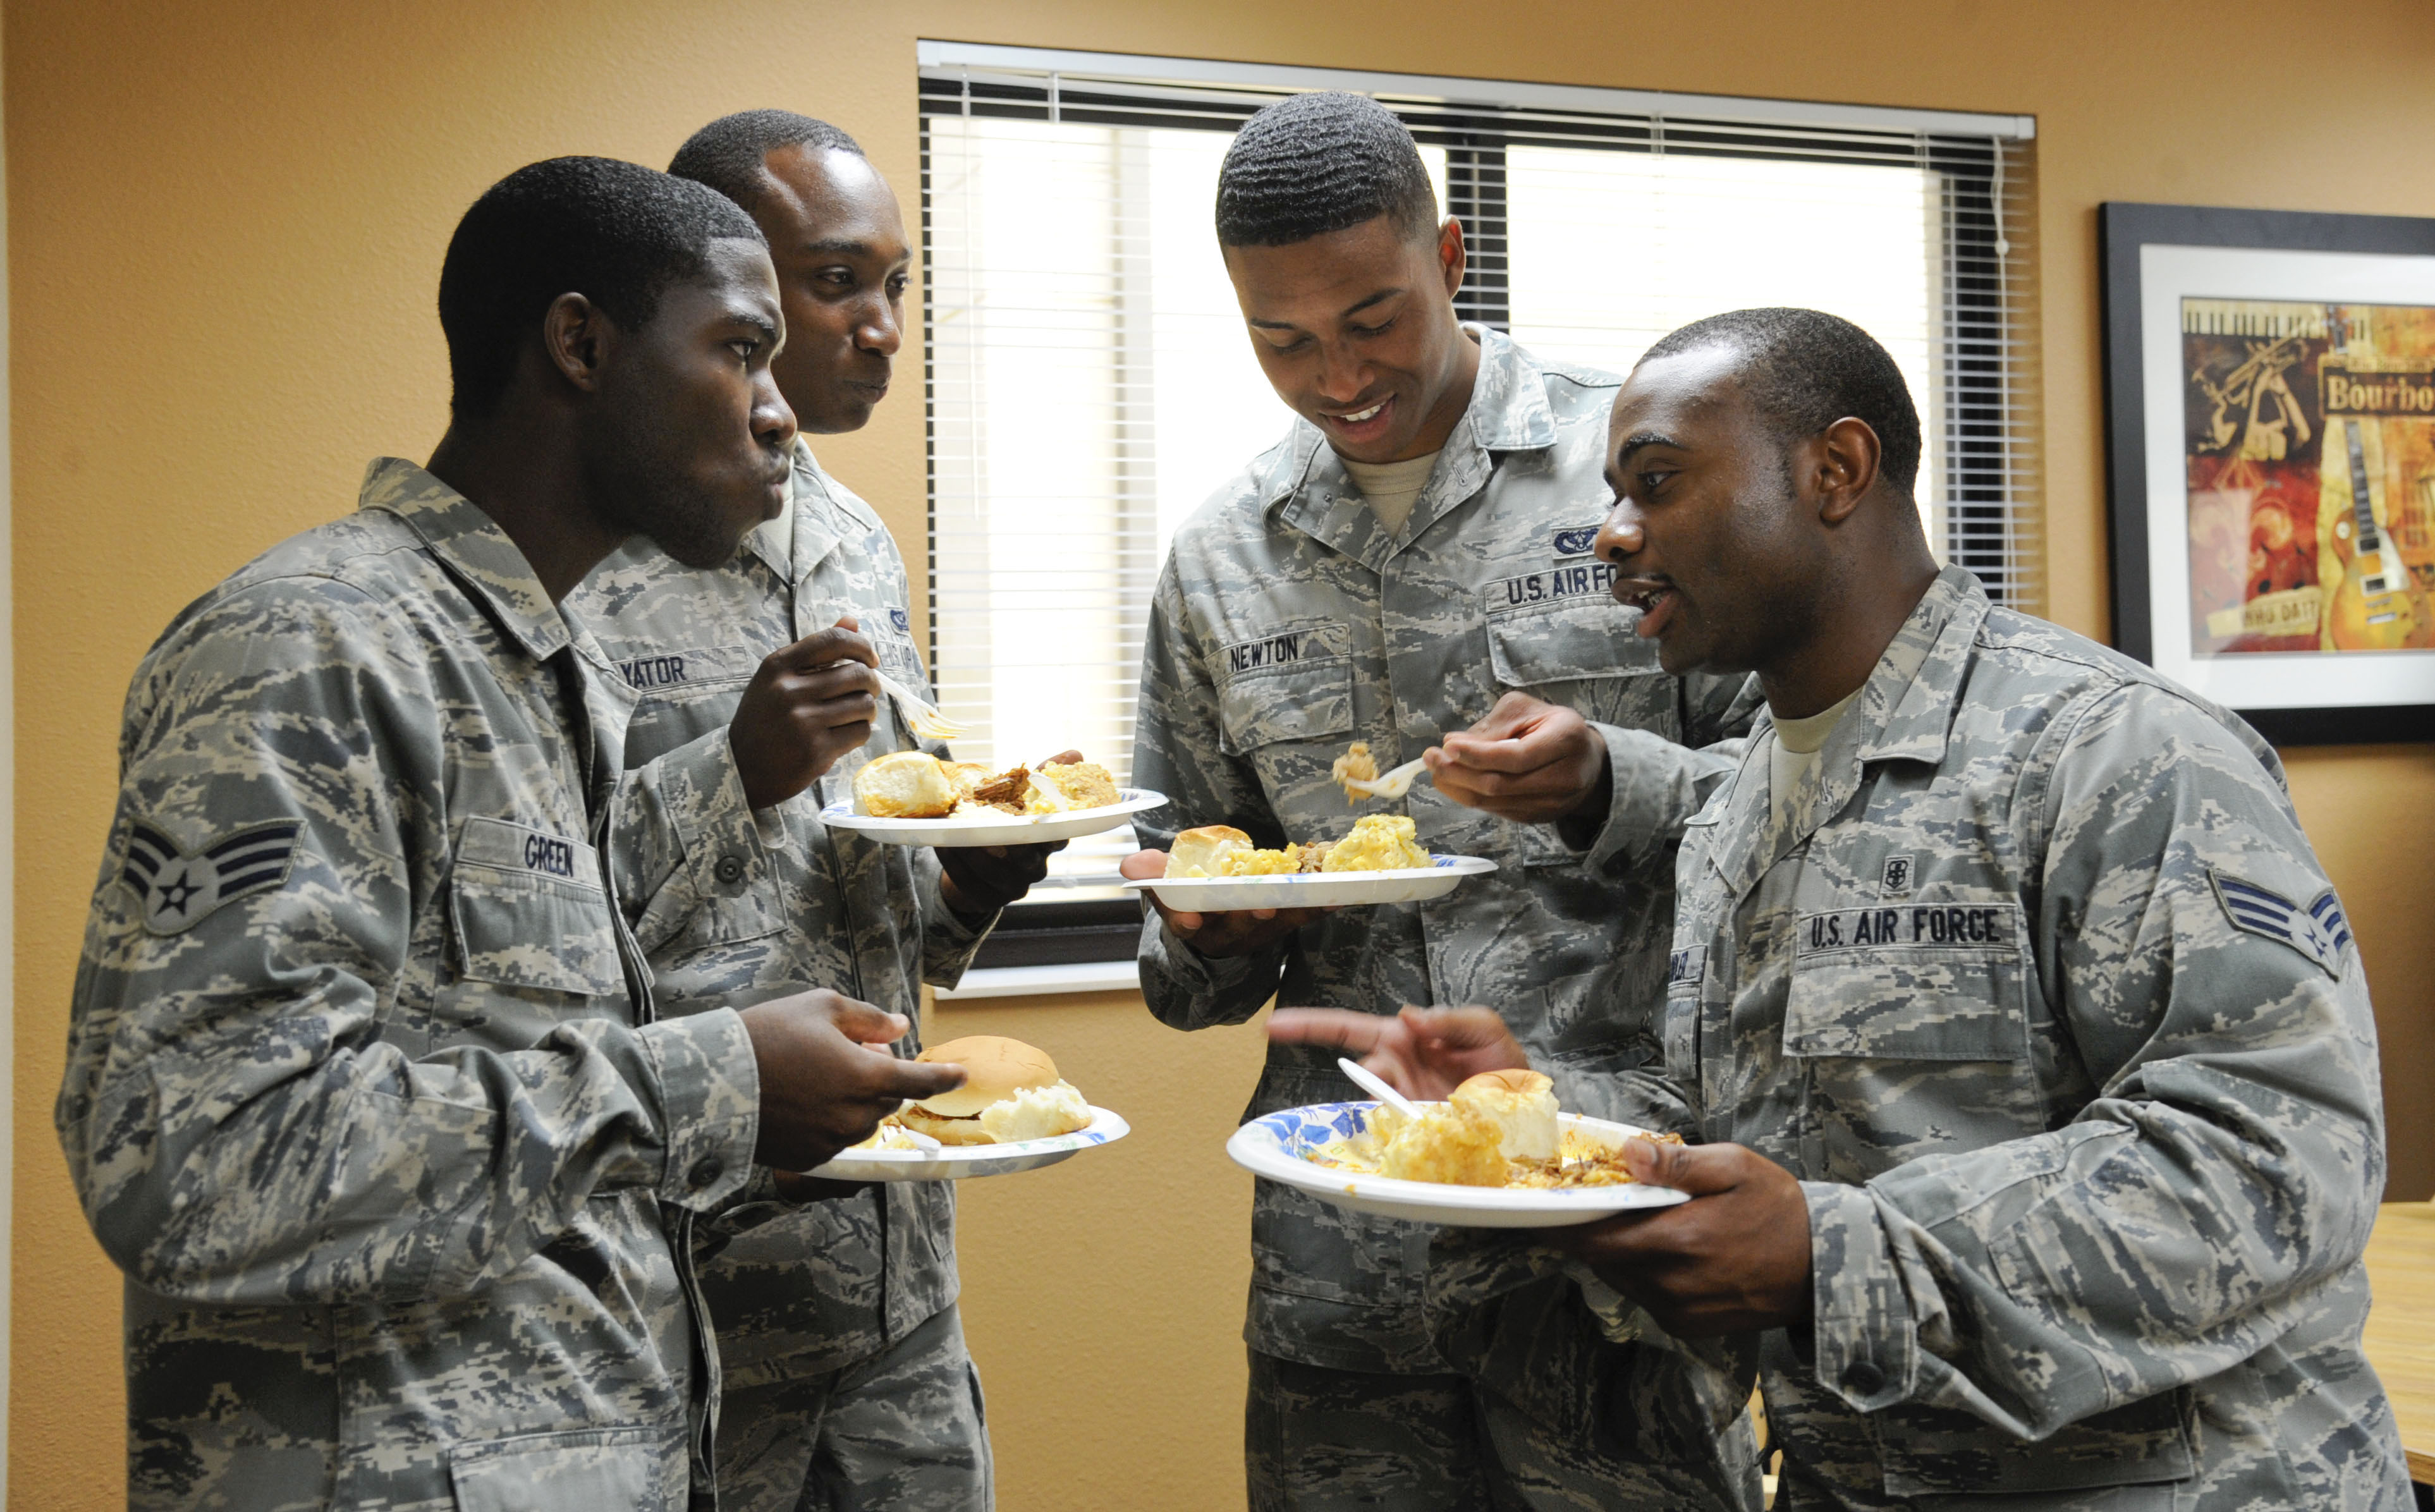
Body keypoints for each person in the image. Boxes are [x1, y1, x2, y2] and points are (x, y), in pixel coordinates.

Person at [1278, 307, 2412, 1509]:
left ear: (1837, 472)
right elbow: (1758, 1129)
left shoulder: (2117, 754)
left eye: (1655, 483)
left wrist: (1833, 1255)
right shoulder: (1743, 803)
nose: (1612, 536)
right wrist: (1536, 1123)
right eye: (1616, 493)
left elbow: (2279, 1164)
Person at [57, 156, 965, 1511]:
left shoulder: (537, 671)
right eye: (739, 352)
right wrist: (706, 1084)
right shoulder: (316, 646)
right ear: (582, 344)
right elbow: (193, 1161)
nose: (781, 415)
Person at [1120, 91, 1760, 1509]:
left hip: (1607, 1213)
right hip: (1345, 1272)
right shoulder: (1223, 558)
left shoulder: (1641, 468)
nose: (1335, 372)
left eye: (1371, 318)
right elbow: (1180, 942)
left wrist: (1611, 779)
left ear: (1452, 257)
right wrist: (1208, 934)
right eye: (1280, 338)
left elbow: (1811, 814)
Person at [568, 111, 1054, 1511]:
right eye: (837, 281)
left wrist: (975, 881)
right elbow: (508, 950)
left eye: (896, 284)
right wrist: (735, 769)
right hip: (676, 1308)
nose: (882, 324)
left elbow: (863, 905)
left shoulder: (857, 540)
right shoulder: (572, 559)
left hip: (894, 1295)